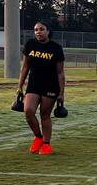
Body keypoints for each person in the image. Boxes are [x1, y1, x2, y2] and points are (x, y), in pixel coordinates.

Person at [16, 22, 66, 155]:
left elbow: (60, 73)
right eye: (36, 30)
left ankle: (46, 144)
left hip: (50, 85)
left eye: (41, 29)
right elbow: (25, 67)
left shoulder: (56, 48)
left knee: (45, 115)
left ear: (48, 31)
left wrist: (61, 93)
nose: (38, 32)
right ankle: (38, 137)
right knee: (28, 111)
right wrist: (20, 85)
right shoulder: (30, 45)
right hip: (33, 84)